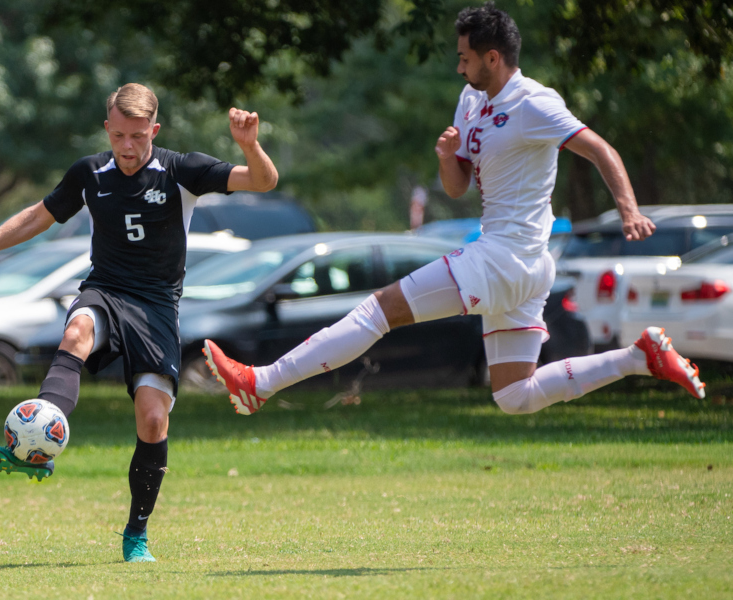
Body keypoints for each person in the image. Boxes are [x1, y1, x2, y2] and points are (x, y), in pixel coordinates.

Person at [203, 2, 704, 418]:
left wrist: (628, 208)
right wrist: (447, 157)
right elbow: (458, 187)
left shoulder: (535, 103)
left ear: (493, 56)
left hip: (504, 259)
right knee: (514, 395)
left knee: (377, 310)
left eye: (465, 58)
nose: (459, 67)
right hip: (522, 266)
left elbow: (600, 149)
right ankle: (639, 358)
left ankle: (261, 383)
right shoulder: (469, 101)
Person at [0, 83, 278, 562]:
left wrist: (249, 145)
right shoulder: (90, 173)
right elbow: (35, 218)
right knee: (76, 332)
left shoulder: (181, 170)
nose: (128, 148)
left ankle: (136, 534)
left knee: (153, 420)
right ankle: (40, 441)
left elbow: (263, 181)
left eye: (138, 137)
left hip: (156, 306)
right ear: (107, 130)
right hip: (105, 290)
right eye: (119, 137)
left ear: (154, 130)